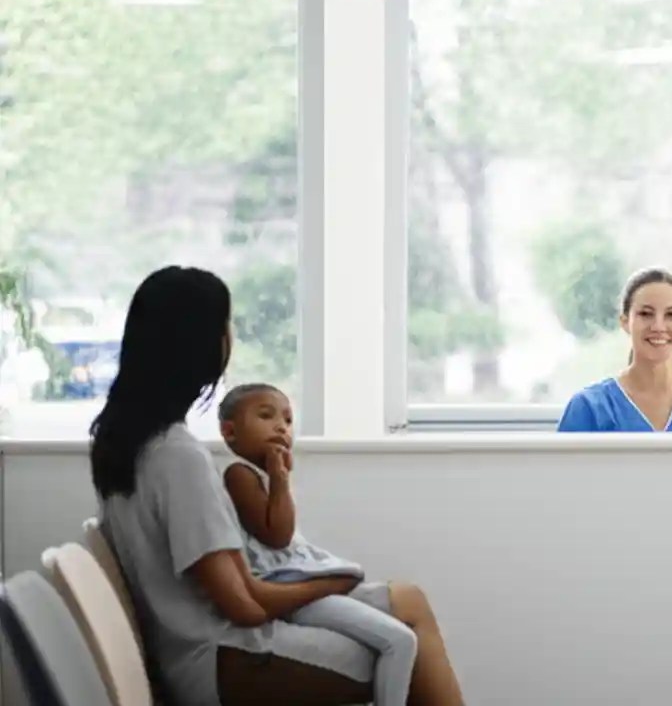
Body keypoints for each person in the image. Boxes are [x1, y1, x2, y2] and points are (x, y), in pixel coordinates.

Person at [91, 265, 464, 706]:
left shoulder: (127, 444)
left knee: (409, 600)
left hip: (206, 646)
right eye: (225, 324)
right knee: (406, 647)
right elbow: (244, 606)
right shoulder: (177, 458)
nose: (230, 336)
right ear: (201, 344)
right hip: (223, 658)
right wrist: (331, 582)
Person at [218, 382, 415, 706]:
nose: (281, 426)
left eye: (288, 420)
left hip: (295, 587)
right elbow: (277, 536)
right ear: (229, 431)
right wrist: (281, 480)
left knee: (399, 635)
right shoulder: (239, 474)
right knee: (400, 640)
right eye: (266, 416)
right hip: (288, 592)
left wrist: (278, 478)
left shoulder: (260, 475)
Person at [556, 268, 672, 432]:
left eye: (671, 315)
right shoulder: (588, 410)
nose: (658, 326)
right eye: (646, 314)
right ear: (625, 322)